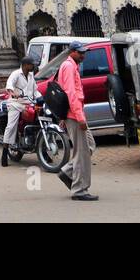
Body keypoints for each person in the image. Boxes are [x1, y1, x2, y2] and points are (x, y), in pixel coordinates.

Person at [56, 41, 96, 201]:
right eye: (80, 52)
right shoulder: (69, 67)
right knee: (81, 153)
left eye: (83, 52)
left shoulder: (71, 66)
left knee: (90, 145)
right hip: (74, 115)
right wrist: (79, 118)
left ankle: (67, 171)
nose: (83, 55)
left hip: (73, 113)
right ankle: (79, 190)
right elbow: (70, 94)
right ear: (71, 52)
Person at [1, 56, 37, 167]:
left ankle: (43, 151)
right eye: (31, 64)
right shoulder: (16, 74)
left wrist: (42, 98)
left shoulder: (31, 76)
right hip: (15, 103)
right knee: (11, 126)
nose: (33, 66)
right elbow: (9, 85)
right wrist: (13, 93)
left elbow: (35, 90)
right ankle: (4, 153)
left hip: (29, 103)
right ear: (25, 65)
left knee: (40, 119)